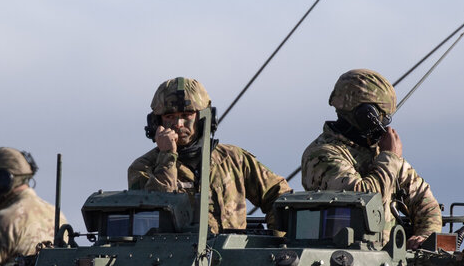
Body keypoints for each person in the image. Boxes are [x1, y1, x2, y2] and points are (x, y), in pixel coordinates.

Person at [300, 69, 442, 249]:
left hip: (389, 264)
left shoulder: (380, 153)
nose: (384, 122)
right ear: (366, 115)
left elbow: (425, 202)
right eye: (380, 116)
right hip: (344, 261)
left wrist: (425, 235)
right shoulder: (322, 155)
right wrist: (389, 158)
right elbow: (364, 200)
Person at [128, 77, 290, 232]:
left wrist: (276, 242)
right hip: (170, 258)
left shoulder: (234, 159)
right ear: (156, 123)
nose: (178, 124)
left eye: (187, 115)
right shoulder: (143, 168)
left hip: (234, 257)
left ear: (203, 118)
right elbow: (152, 212)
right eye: (170, 117)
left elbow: (280, 196)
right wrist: (167, 157)